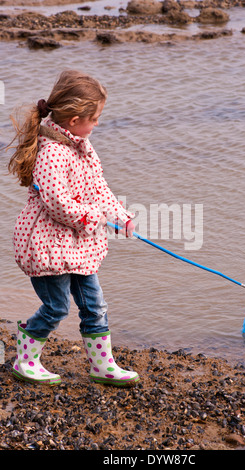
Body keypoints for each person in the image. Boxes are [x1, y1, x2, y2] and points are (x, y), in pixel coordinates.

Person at [8, 70, 139, 387]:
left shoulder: (82, 144)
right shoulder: (53, 152)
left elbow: (99, 188)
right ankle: (25, 360)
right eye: (94, 119)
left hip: (79, 246)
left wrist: (120, 216)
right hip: (49, 245)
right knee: (56, 308)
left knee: (95, 306)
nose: (96, 125)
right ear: (75, 119)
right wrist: (96, 218)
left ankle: (102, 365)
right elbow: (57, 203)